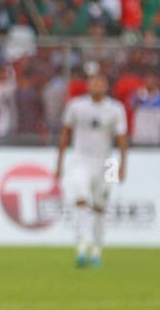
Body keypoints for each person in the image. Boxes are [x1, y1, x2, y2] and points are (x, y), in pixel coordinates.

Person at [55, 70, 128, 268]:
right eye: (93, 81)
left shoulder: (116, 109)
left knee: (100, 208)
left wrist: (122, 165)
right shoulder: (76, 106)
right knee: (80, 199)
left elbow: (121, 139)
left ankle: (96, 250)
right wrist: (59, 163)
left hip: (108, 162)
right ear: (88, 84)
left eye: (100, 81)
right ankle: (81, 246)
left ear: (106, 85)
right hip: (80, 159)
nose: (96, 85)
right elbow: (65, 134)